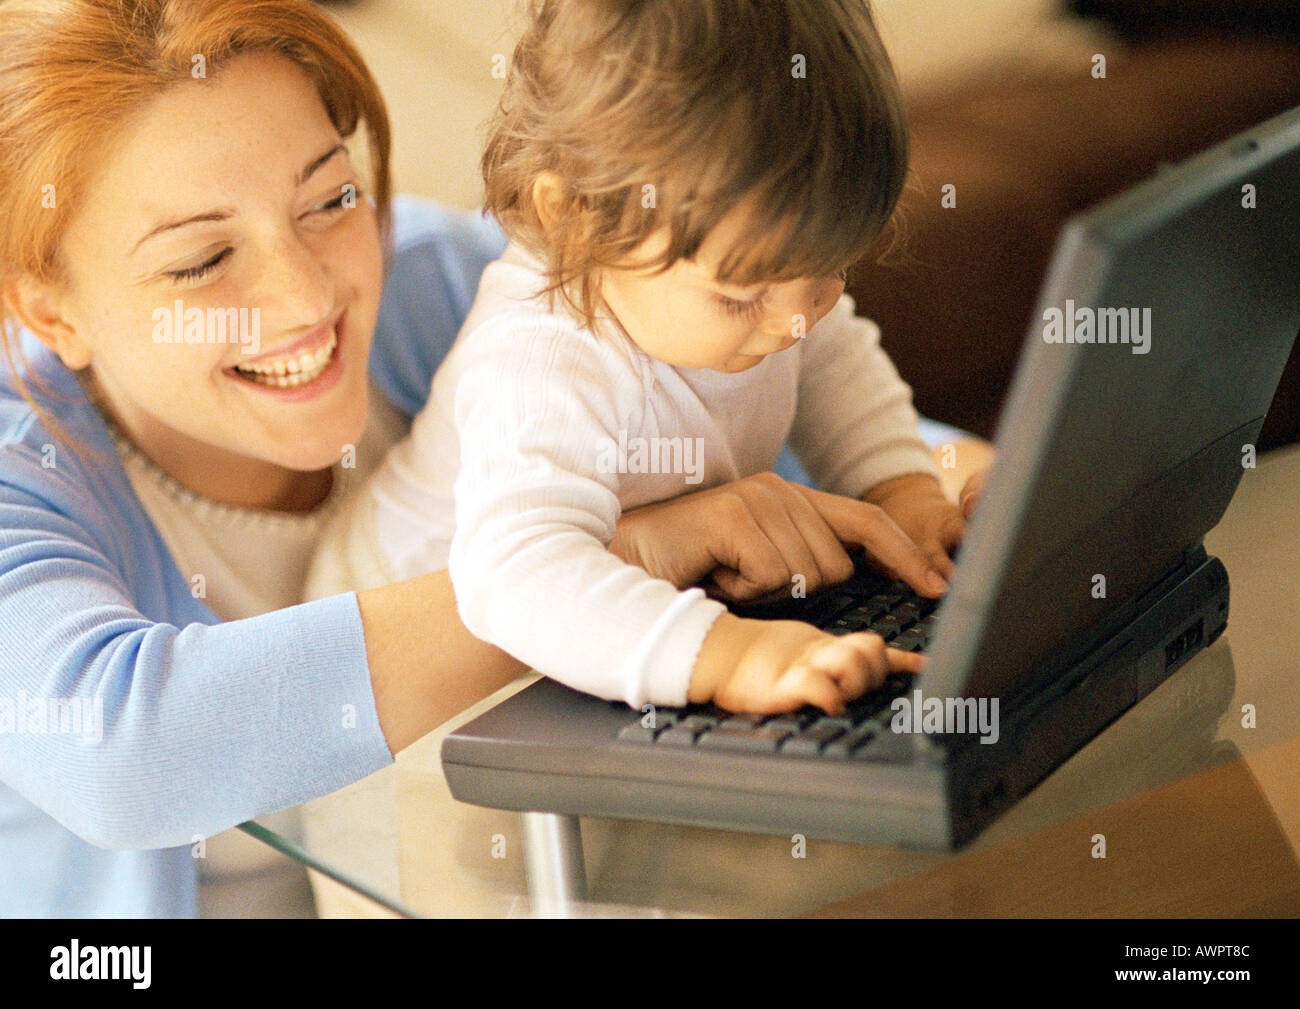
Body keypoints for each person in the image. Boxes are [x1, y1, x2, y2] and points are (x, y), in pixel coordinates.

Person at [0, 0, 976, 917]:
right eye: (203, 261)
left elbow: (715, 354)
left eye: (331, 196)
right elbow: (123, 748)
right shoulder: (22, 460)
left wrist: (939, 479)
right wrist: (620, 559)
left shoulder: (430, 280)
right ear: (50, 308)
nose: (307, 297)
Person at [306, 0, 981, 715]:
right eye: (739, 298)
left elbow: (835, 365)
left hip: (592, 637)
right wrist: (730, 654)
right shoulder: (543, 360)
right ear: (576, 220)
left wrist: (900, 490)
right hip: (408, 713)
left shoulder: (764, 291)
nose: (795, 321)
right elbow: (516, 577)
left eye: (829, 272)